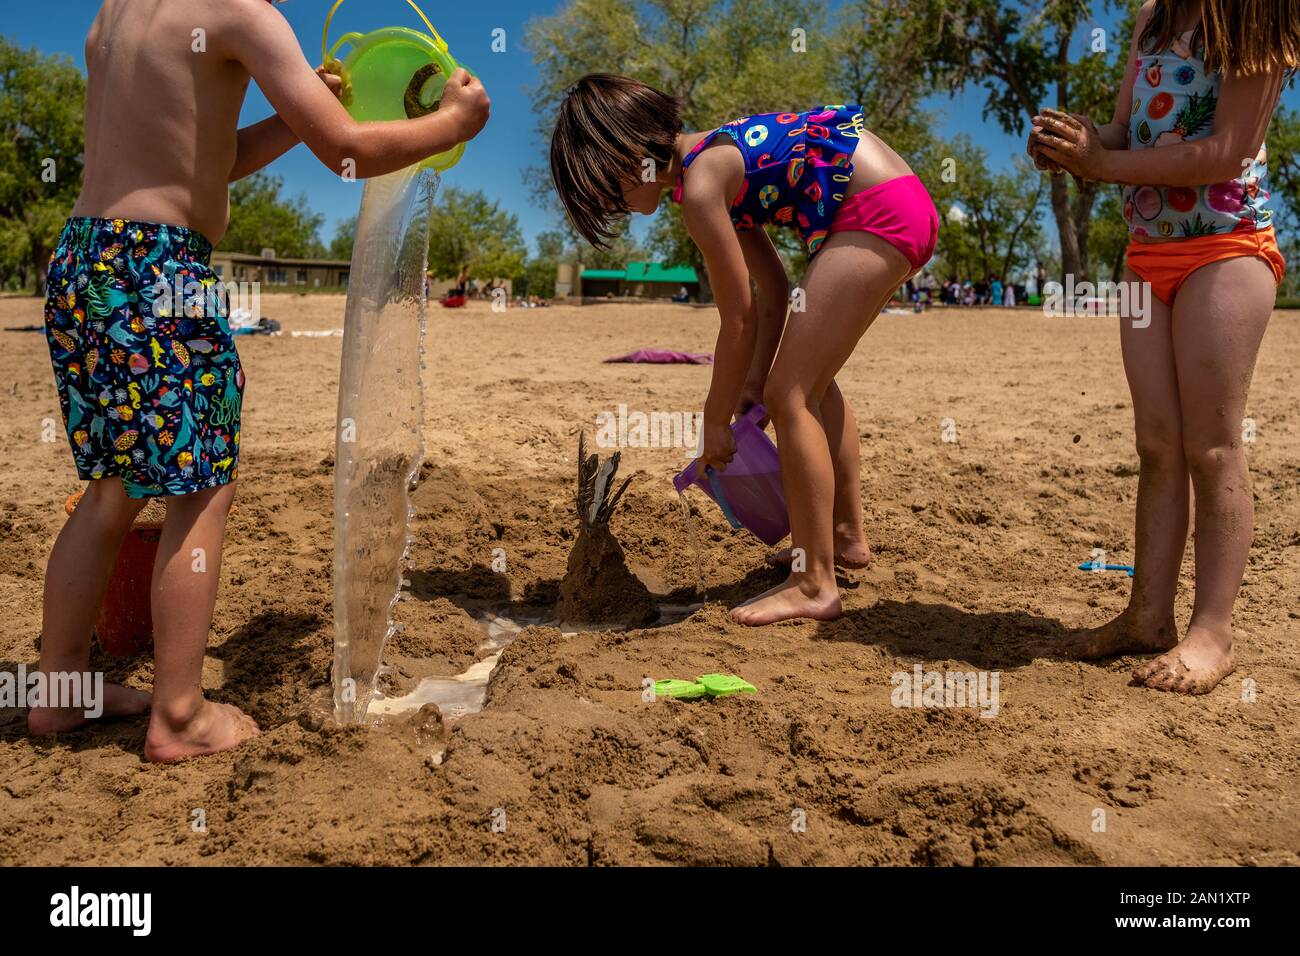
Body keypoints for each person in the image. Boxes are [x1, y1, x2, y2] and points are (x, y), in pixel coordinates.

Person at [35, 0, 490, 758]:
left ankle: (59, 693)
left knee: (114, 487)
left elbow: (201, 156)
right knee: (199, 487)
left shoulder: (114, 16)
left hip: (85, 262)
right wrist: (454, 122)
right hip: (159, 273)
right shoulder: (240, 11)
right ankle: (178, 714)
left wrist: (290, 112)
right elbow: (347, 148)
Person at [550, 75, 938, 625]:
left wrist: (715, 422)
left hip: (875, 212)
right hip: (899, 205)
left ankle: (814, 583)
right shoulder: (716, 163)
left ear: (630, 152)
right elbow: (774, 289)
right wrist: (752, 382)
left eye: (606, 191)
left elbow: (738, 317)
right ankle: (846, 536)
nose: (615, 208)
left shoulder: (702, 184)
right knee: (810, 386)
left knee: (793, 395)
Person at [1030, 0, 1294, 694]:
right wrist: (1079, 145)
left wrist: (1103, 166)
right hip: (1149, 250)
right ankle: (1147, 615)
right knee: (1156, 443)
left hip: (1226, 245)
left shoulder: (1256, 13)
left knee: (1212, 446)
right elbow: (1123, 130)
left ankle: (1213, 633)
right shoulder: (1152, 17)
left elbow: (1225, 151)